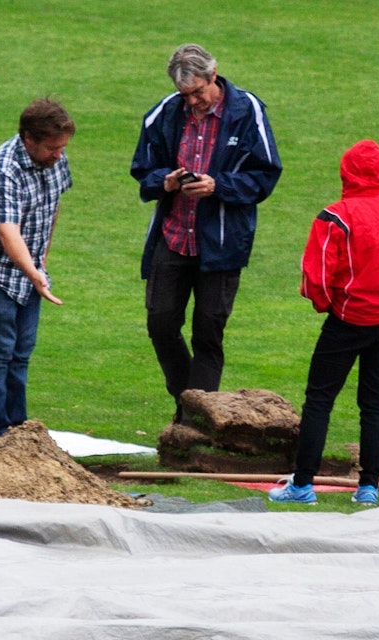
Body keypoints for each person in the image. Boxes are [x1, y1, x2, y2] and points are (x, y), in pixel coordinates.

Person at [269, 140, 379, 506]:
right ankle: (368, 487)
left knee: (319, 401)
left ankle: (302, 485)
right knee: (374, 405)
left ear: (345, 173)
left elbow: (315, 276)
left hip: (346, 320)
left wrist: (330, 305)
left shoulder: (335, 215)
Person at [130, 44, 282, 425]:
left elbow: (266, 176)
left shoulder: (247, 111)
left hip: (223, 242)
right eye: (187, 95)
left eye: (199, 92)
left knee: (208, 334)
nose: (194, 102)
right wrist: (163, 182)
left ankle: (195, 423)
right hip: (174, 236)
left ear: (215, 75)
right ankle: (191, 406)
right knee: (161, 323)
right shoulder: (164, 113)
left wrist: (219, 186)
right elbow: (142, 170)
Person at [0, 98, 75, 444]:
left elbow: (53, 206)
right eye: (52, 148)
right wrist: (34, 271)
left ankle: (18, 433)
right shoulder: (3, 169)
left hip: (29, 270)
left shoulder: (55, 157)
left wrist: (42, 262)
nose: (59, 155)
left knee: (21, 351)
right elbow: (7, 232)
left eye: (62, 148)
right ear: (29, 139)